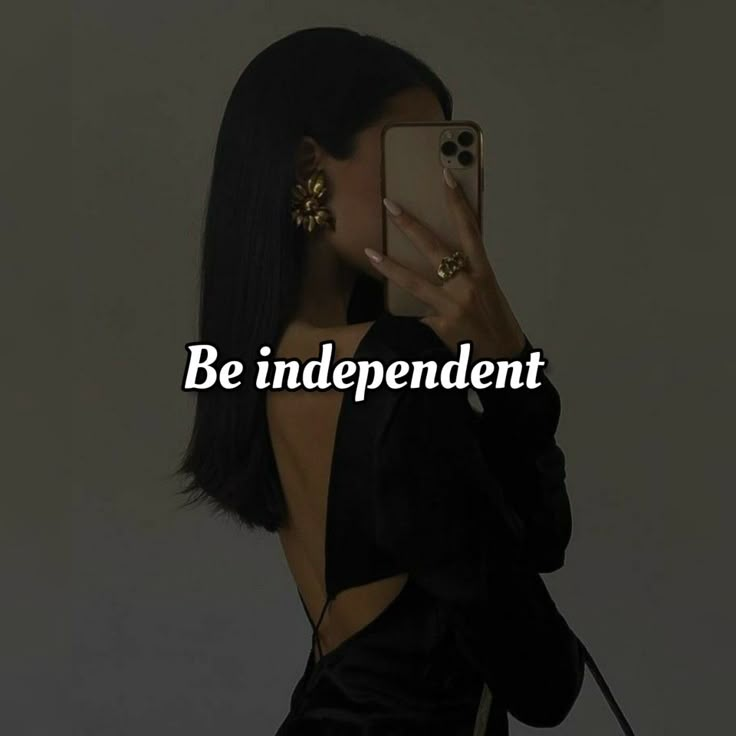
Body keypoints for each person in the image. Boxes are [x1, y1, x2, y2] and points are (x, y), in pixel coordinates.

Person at [176, 27, 585, 735]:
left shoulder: (268, 364)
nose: (446, 186)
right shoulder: (395, 367)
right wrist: (510, 359)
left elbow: (531, 542)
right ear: (311, 166)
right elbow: (543, 681)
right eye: (414, 153)